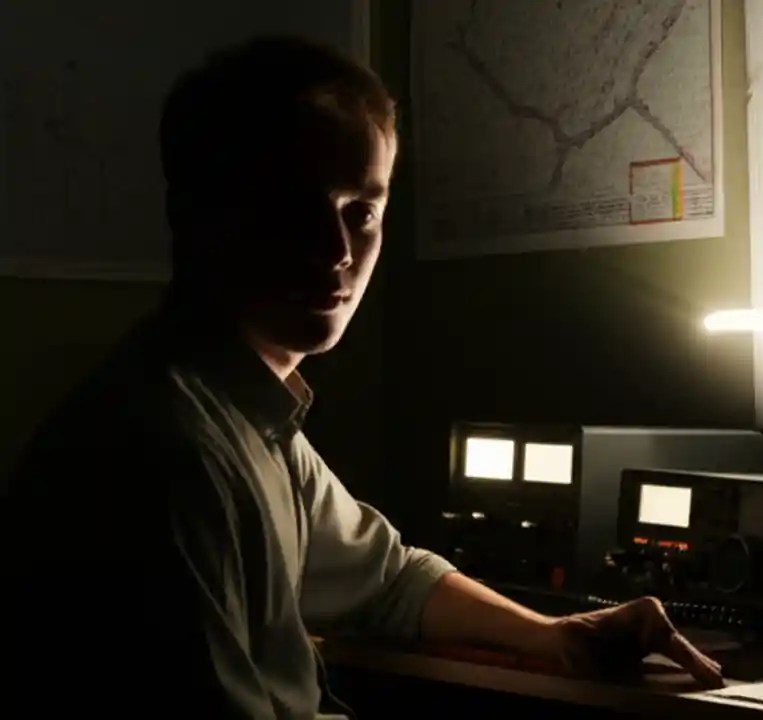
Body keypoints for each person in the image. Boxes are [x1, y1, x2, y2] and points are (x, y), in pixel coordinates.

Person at [0, 35, 721, 717]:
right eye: (294, 209)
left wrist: (554, 635)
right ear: (197, 215)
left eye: (362, 211)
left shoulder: (252, 416)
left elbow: (390, 579)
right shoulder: (170, 453)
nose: (336, 249)